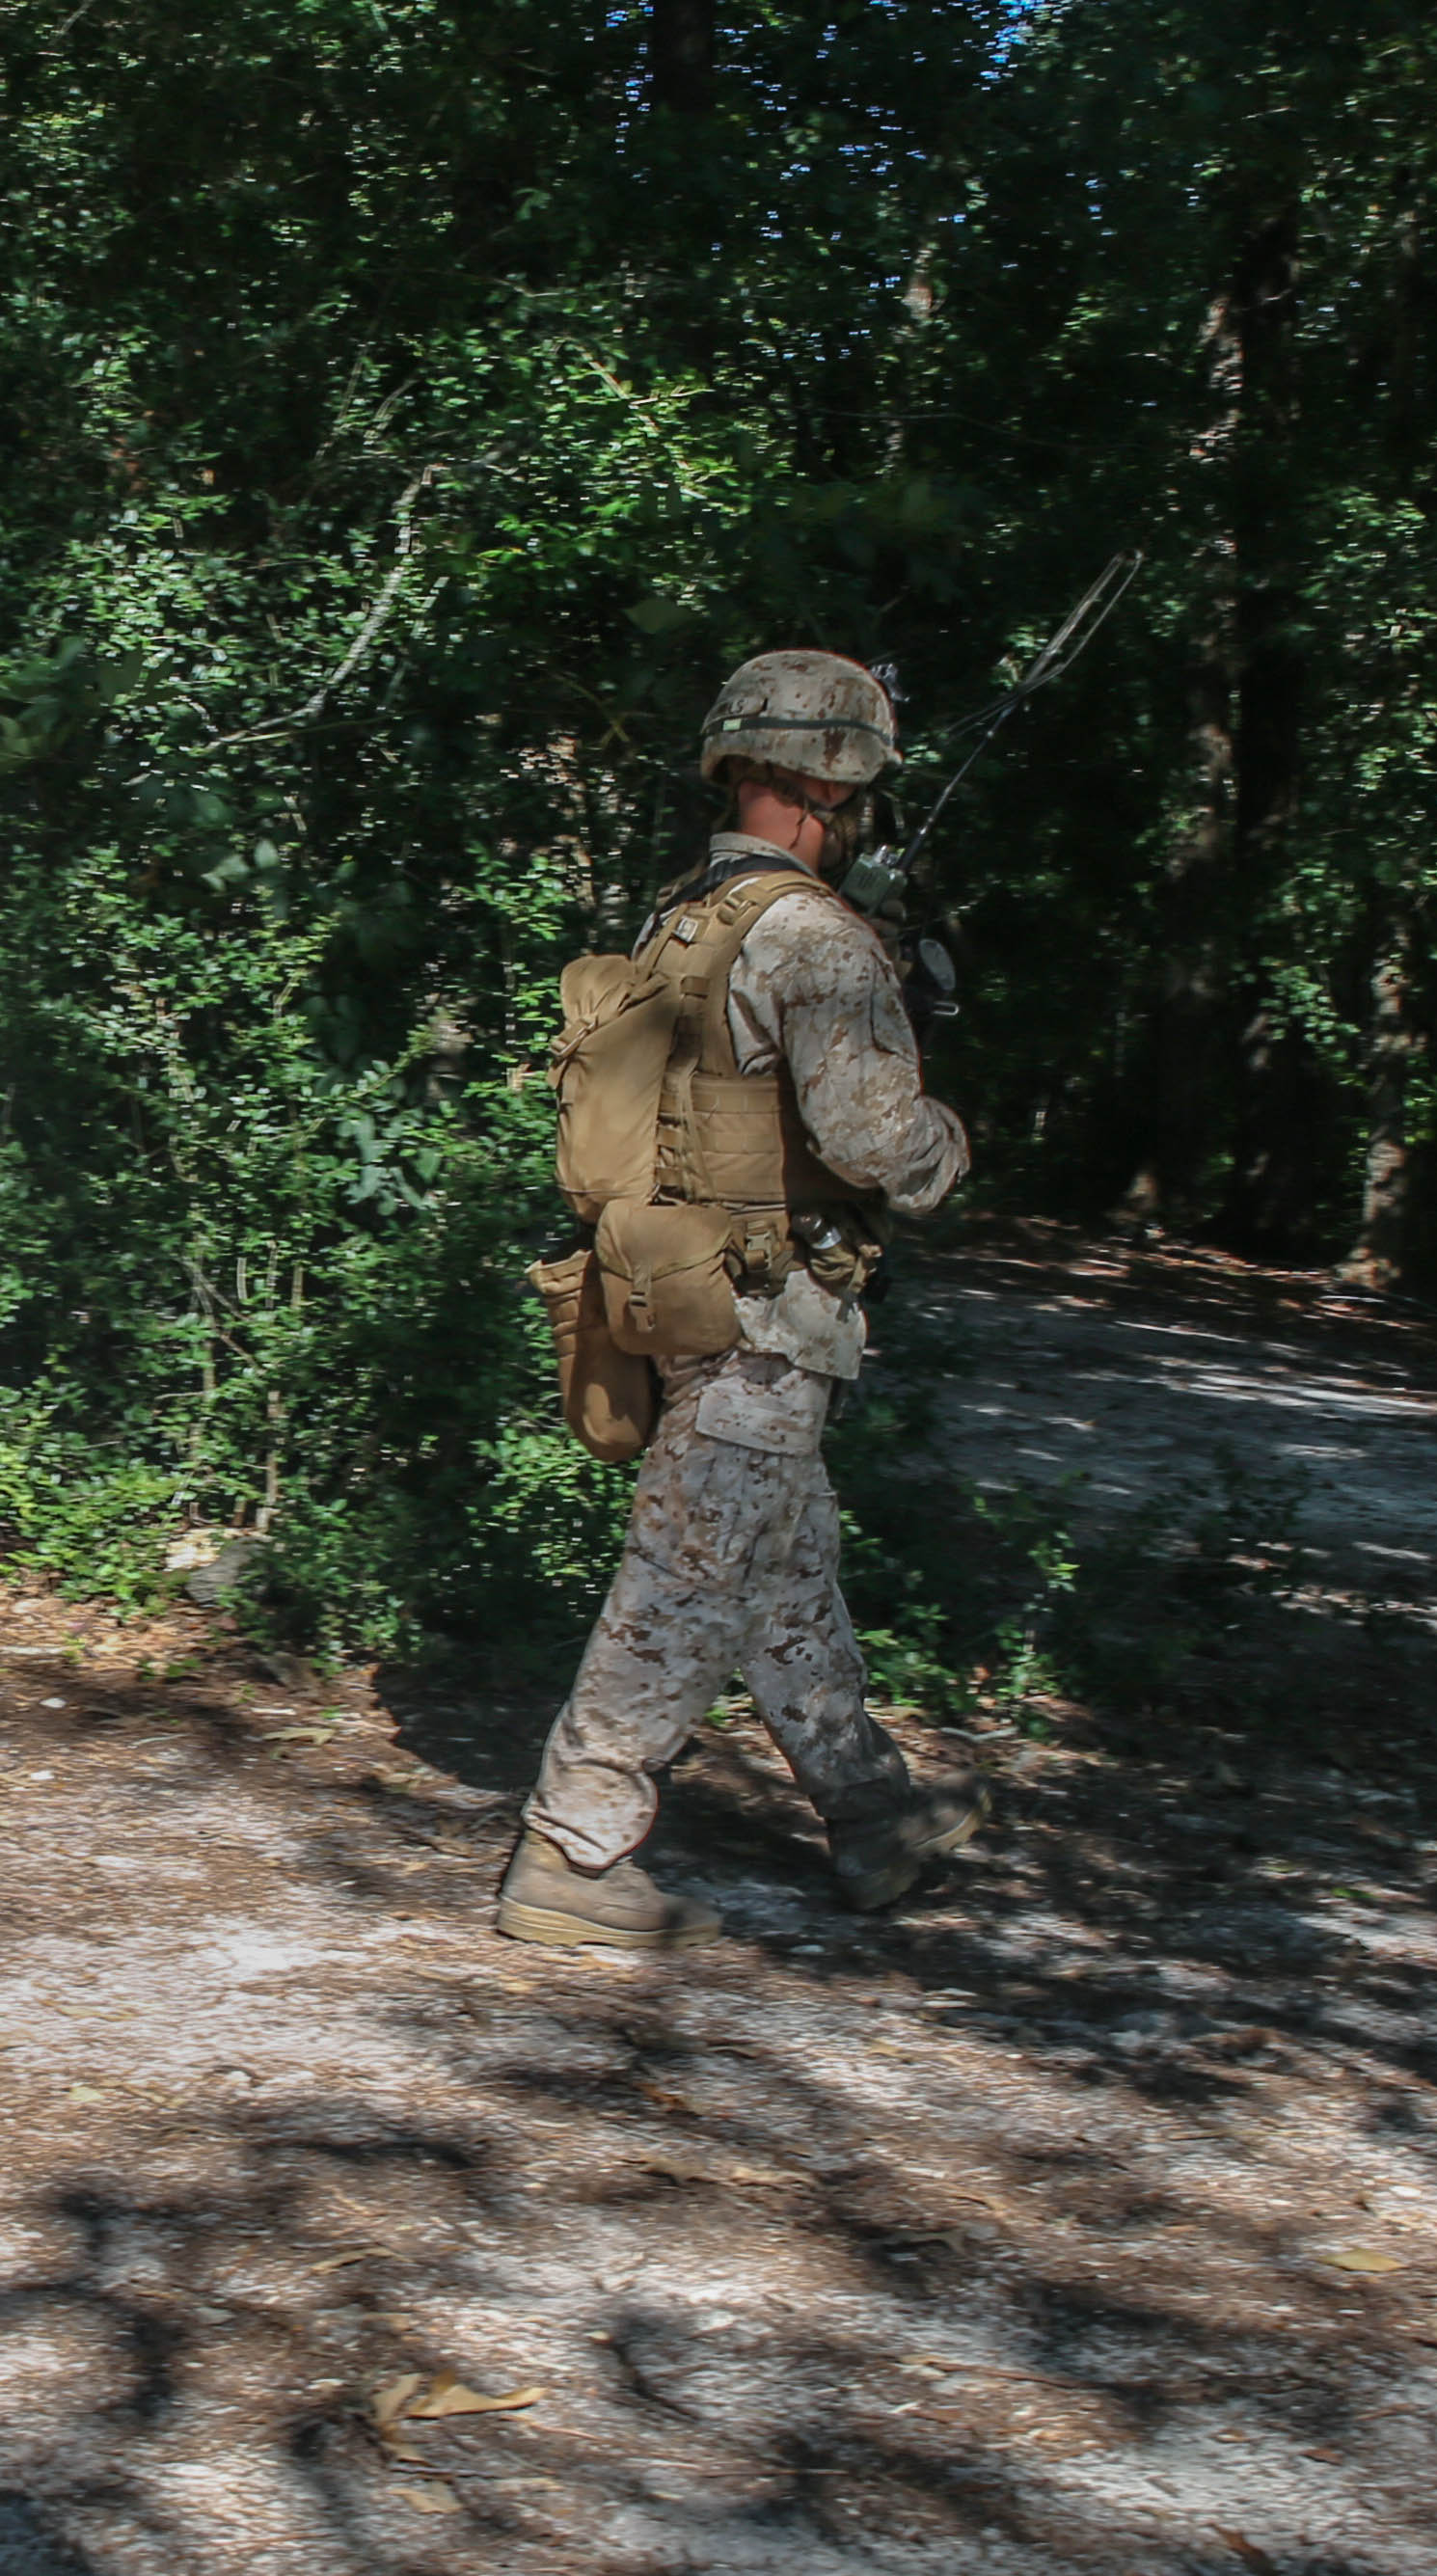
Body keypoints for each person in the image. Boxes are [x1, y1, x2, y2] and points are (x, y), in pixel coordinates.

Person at [501, 650, 984, 1951]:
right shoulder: (816, 937)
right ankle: (572, 1849)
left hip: (677, 1291)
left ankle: (873, 1810)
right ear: (829, 784)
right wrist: (947, 1138)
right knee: (690, 1577)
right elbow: (878, 1142)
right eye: (858, 793)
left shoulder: (685, 918)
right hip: (766, 1314)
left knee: (782, 1567)